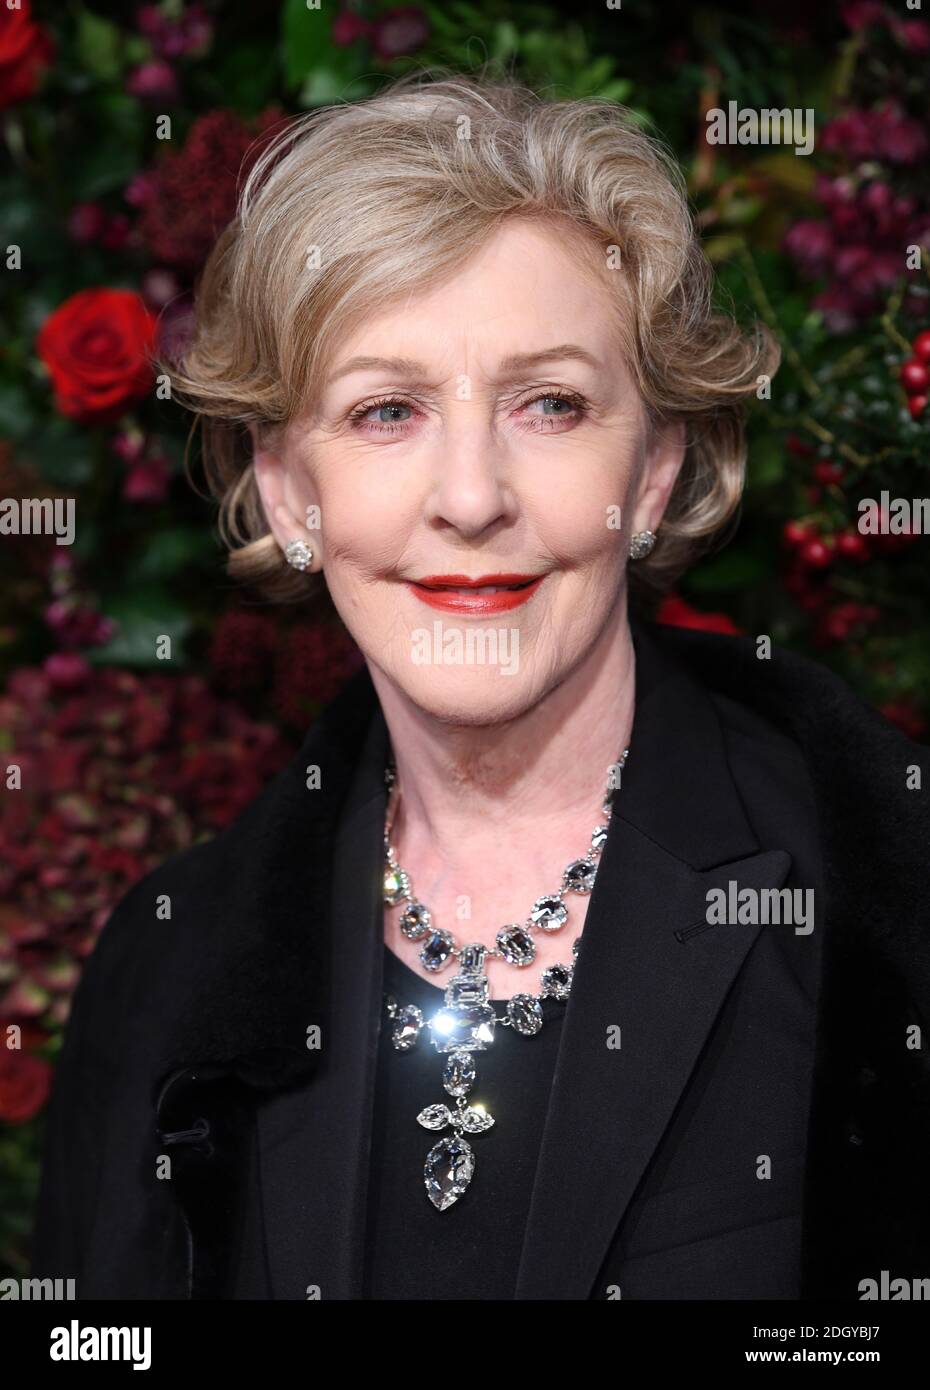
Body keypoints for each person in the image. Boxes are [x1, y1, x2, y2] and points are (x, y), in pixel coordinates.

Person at [31, 72, 930, 1301]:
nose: (470, 496)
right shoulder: (168, 968)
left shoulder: (884, 901)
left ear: (657, 468)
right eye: (386, 410)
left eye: (549, 405)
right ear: (292, 492)